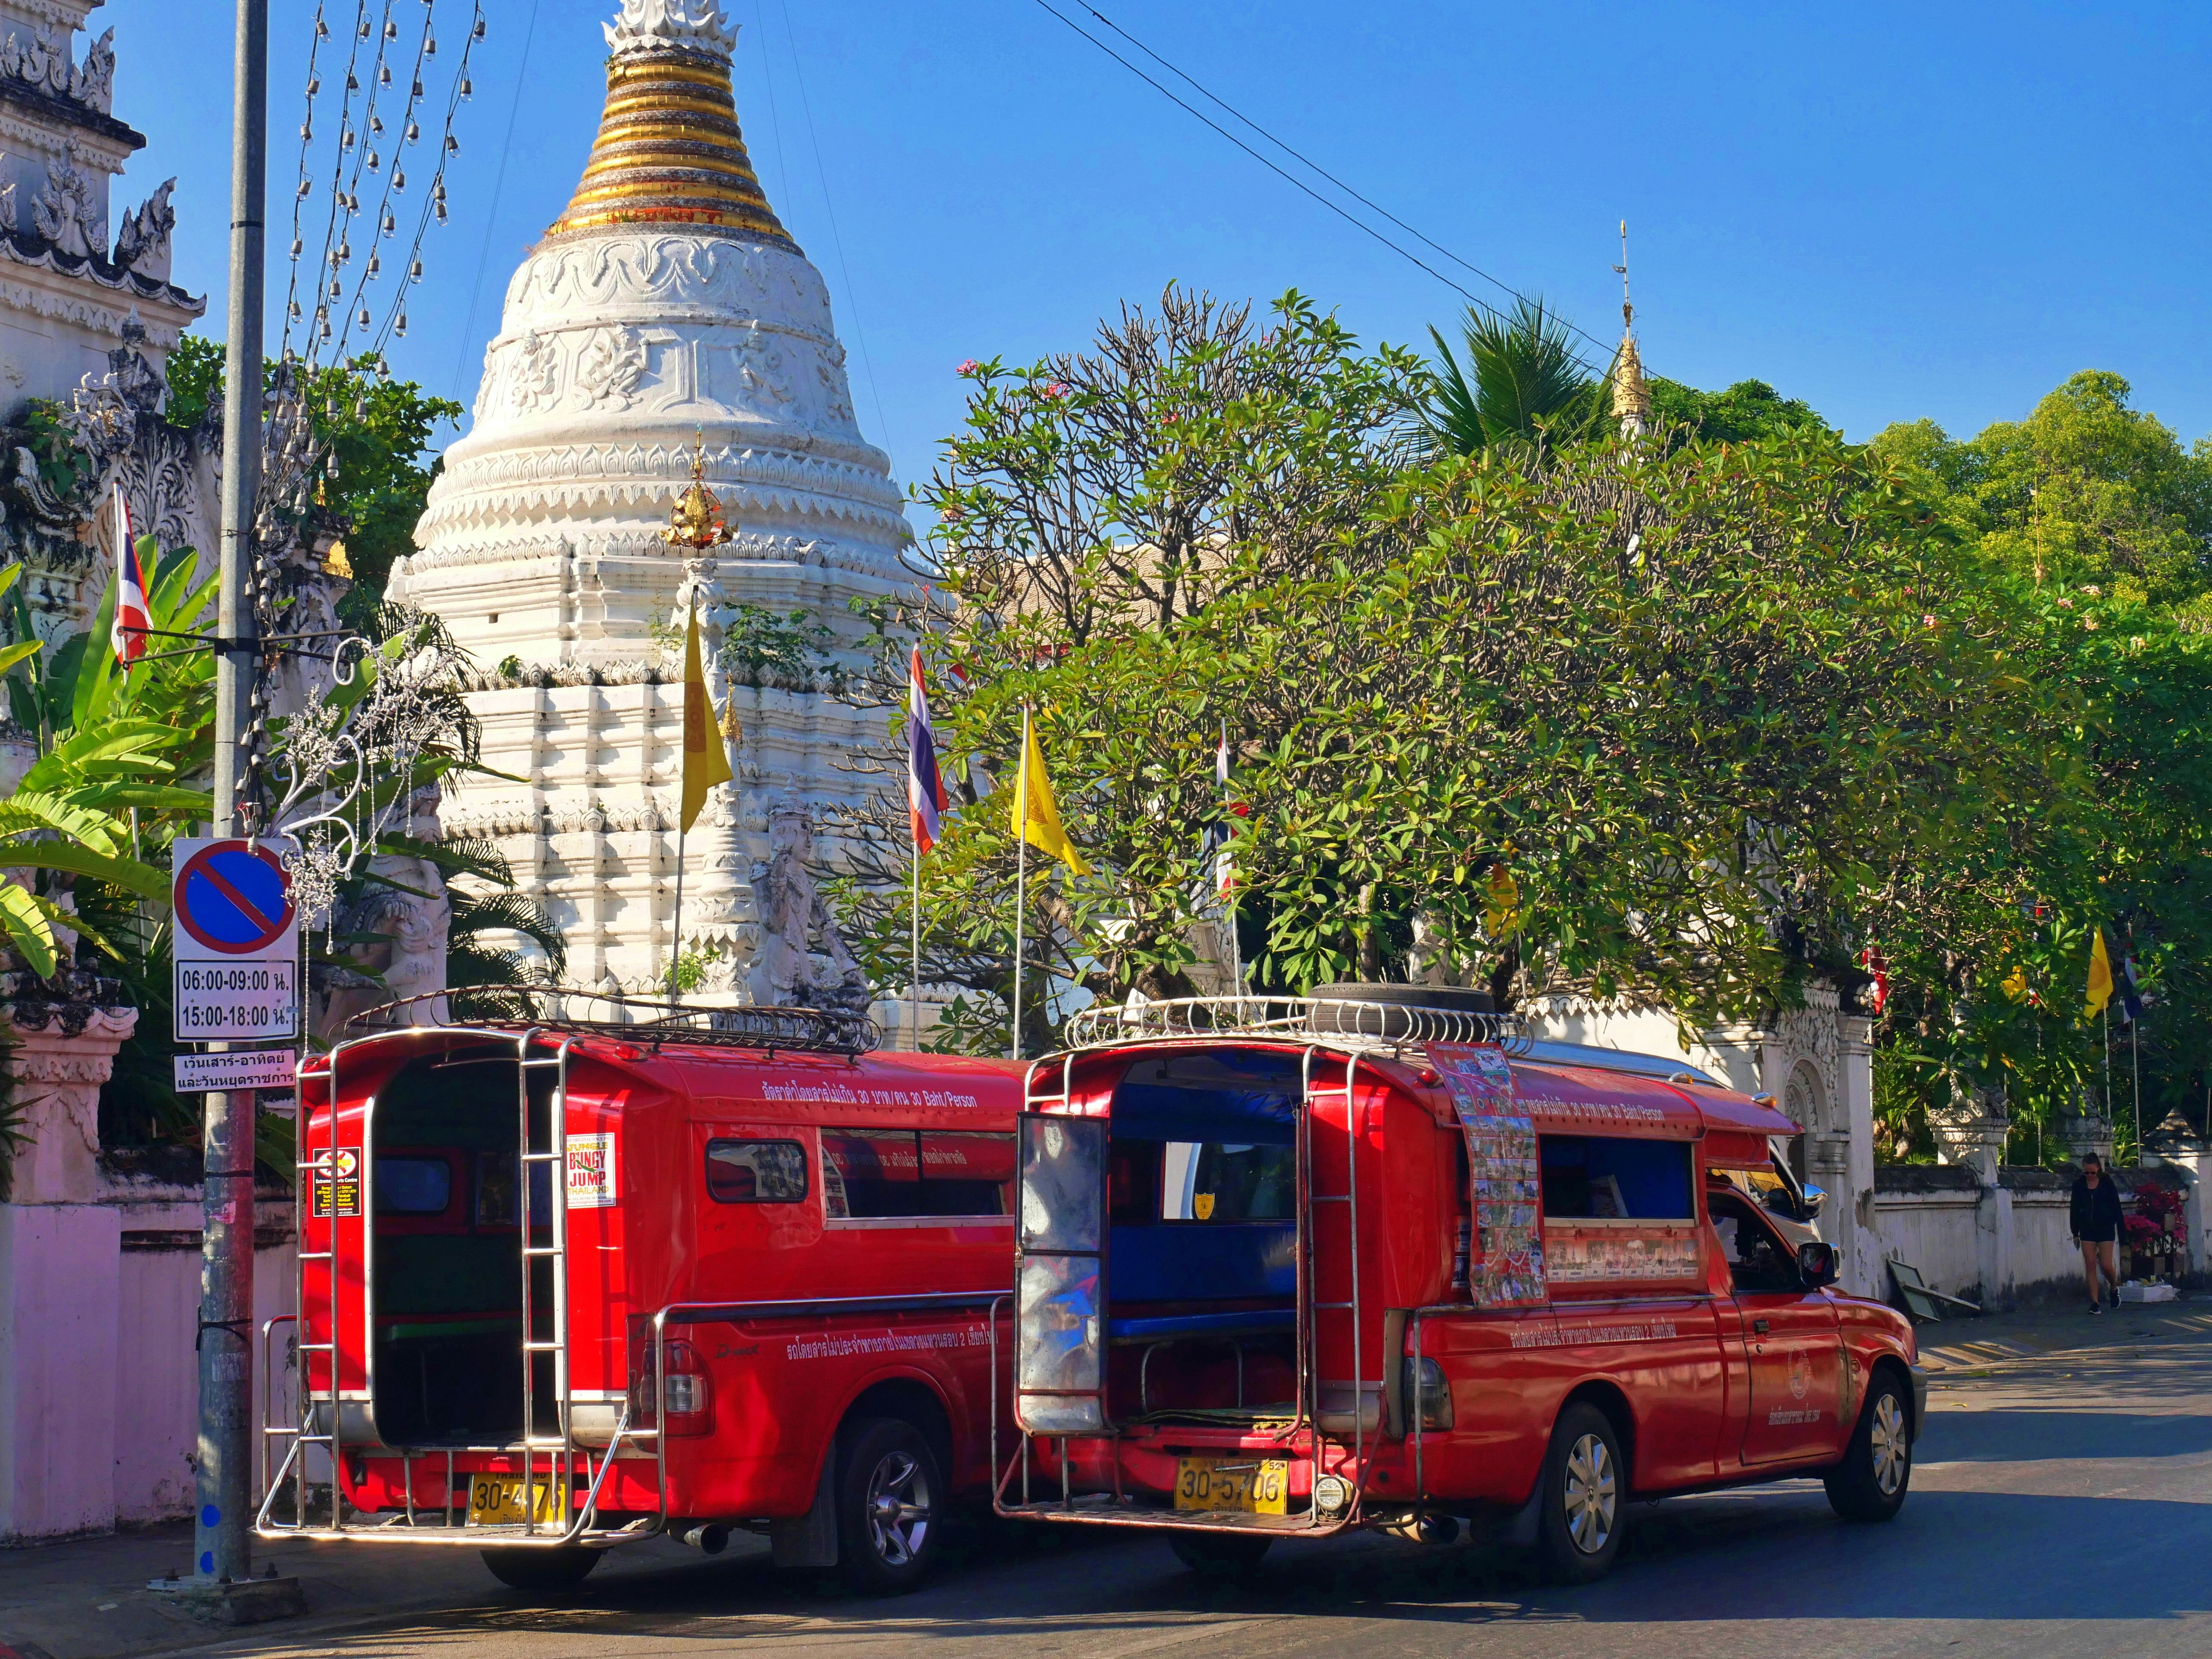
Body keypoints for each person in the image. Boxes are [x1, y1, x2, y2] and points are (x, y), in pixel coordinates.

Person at [2070, 1153, 2125, 1314]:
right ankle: (2095, 1303)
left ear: (2098, 1170)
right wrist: (2075, 1232)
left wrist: (2122, 1232)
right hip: (2087, 1229)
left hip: (2105, 1228)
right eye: (2086, 1173)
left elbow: (2116, 1208)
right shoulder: (2079, 1186)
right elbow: (2074, 1209)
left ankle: (2114, 1287)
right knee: (2090, 1264)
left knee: (2106, 1265)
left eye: (2092, 1173)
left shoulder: (2107, 1184)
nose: (2089, 1176)